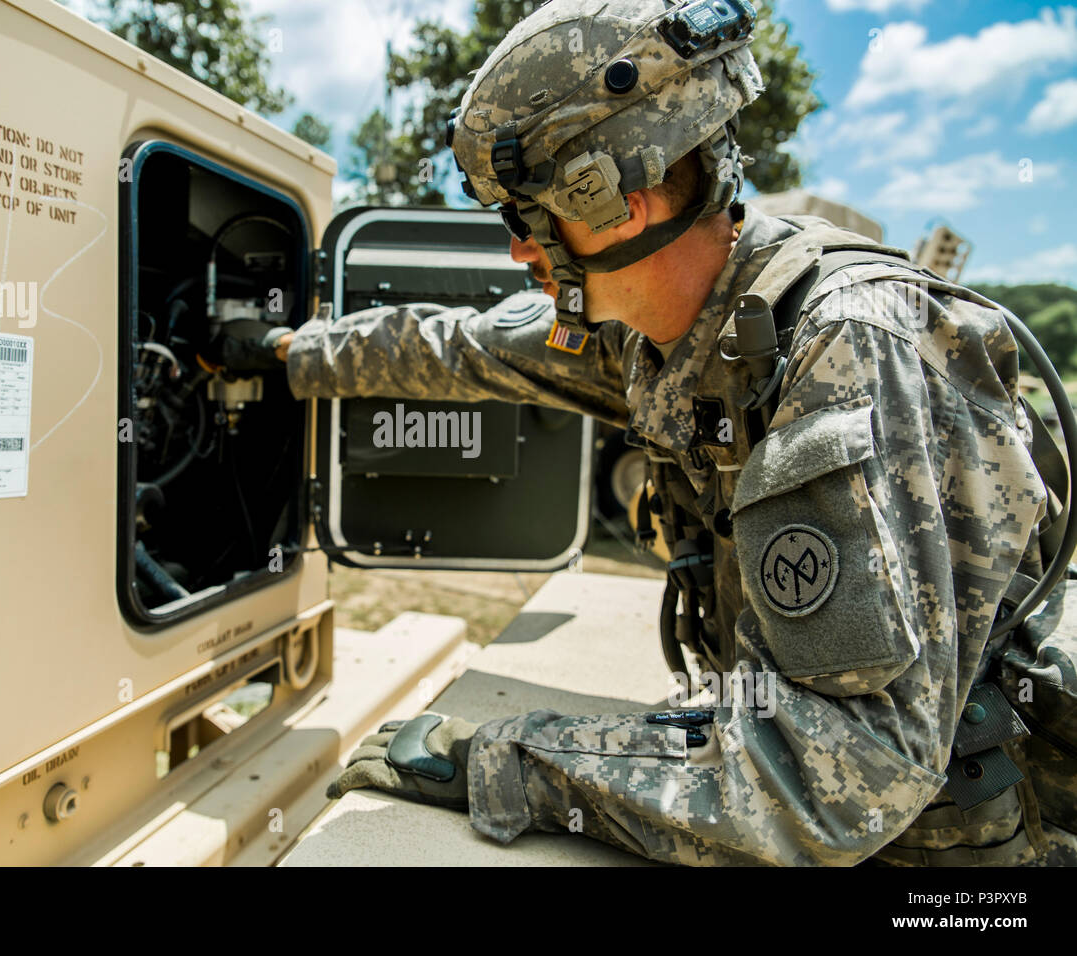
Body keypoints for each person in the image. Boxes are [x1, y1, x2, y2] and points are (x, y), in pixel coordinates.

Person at [225, 0, 1077, 865]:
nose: (520, 252)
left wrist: (510, 762)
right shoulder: (659, 331)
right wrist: (282, 352)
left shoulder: (851, 346)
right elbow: (464, 348)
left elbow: (839, 776)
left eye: (525, 219)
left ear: (611, 202)